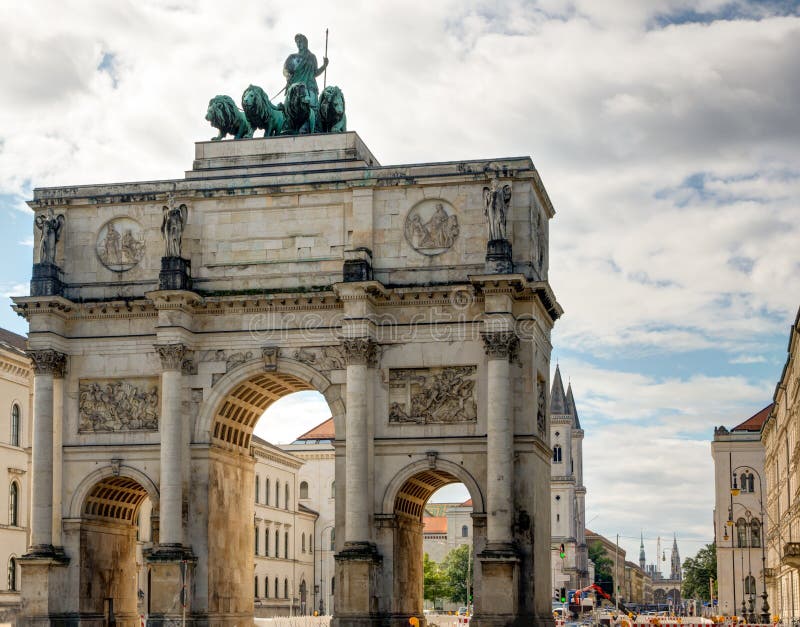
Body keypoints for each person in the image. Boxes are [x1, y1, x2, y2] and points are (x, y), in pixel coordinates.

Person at [283, 33, 328, 108]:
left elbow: (315, 73)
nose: (298, 44)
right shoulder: (292, 57)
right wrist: (288, 76)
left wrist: (324, 66)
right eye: (297, 42)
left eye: (300, 41)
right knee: (290, 111)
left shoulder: (312, 57)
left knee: (313, 110)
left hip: (310, 86)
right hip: (295, 87)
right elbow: (285, 70)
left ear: (305, 42)